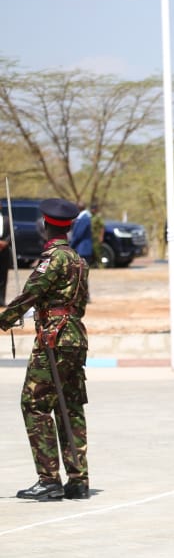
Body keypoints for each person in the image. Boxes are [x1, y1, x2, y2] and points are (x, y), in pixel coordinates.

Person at [0, 198, 91, 501]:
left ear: (44, 226)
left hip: (54, 338)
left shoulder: (53, 260)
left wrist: (4, 319)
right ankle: (78, 480)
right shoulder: (79, 260)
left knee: (35, 404)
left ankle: (49, 478)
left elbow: (30, 295)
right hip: (75, 337)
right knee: (69, 406)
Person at [0, 204, 11, 306]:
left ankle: (1, 300)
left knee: (3, 276)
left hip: (4, 251)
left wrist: (5, 242)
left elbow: (10, 233)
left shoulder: (6, 219)